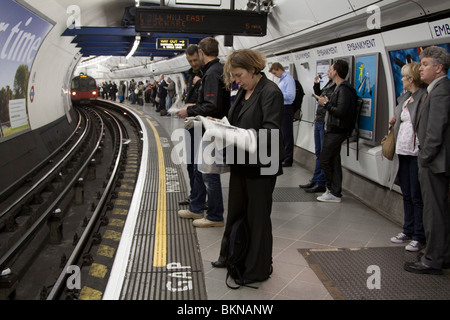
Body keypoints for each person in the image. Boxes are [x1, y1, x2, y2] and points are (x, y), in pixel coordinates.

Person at [211, 49, 284, 285]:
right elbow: (236, 121)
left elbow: (270, 132)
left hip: (261, 165)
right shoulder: (244, 90)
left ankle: (255, 268)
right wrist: (219, 125)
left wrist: (237, 134)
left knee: (257, 217)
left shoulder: (271, 93)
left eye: (239, 74)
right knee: (235, 211)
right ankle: (231, 256)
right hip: (241, 162)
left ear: (254, 69)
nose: (236, 80)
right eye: (233, 76)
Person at [404, 46, 450, 275]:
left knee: (434, 211)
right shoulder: (435, 89)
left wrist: (424, 157)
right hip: (434, 161)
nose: (420, 68)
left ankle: (432, 260)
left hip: (434, 163)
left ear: (439, 68)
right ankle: (442, 254)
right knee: (438, 210)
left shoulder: (441, 91)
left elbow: (435, 130)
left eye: (425, 64)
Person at [176, 37, 230, 228]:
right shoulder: (213, 71)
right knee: (202, 171)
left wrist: (189, 110)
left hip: (211, 129)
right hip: (207, 128)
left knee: (209, 173)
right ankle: (196, 207)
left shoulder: (212, 73)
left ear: (201, 52)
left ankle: (215, 216)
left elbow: (212, 105)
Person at [388, 62, 427, 252]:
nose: (402, 79)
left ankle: (419, 235)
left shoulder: (423, 98)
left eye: (404, 77)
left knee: (416, 195)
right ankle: (408, 229)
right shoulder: (405, 98)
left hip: (416, 153)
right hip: (402, 151)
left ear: (411, 79)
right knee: (406, 193)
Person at [316, 60, 357, 203]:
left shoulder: (344, 89)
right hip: (334, 129)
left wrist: (325, 104)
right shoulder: (339, 88)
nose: (329, 71)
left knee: (325, 159)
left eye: (331, 69)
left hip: (337, 130)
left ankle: (331, 189)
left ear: (336, 72)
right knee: (333, 161)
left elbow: (341, 111)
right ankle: (335, 192)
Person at [299, 72, 335, 193]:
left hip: (325, 122)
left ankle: (321, 182)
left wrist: (322, 100)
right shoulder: (329, 84)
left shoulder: (337, 87)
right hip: (319, 120)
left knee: (323, 155)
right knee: (318, 153)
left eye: (330, 70)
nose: (328, 72)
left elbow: (327, 102)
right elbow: (321, 95)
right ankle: (315, 179)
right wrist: (316, 84)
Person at [178, 44, 204, 207]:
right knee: (190, 163)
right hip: (190, 122)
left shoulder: (207, 74)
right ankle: (194, 194)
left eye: (195, 60)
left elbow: (210, 103)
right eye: (190, 61)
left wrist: (200, 82)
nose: (193, 63)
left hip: (201, 123)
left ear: (201, 55)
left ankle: (199, 198)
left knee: (199, 165)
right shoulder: (190, 74)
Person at [269, 62, 296, 167]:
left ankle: (289, 159)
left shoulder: (288, 79)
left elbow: (290, 96)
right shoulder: (282, 80)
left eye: (275, 73)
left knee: (287, 134)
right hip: (281, 108)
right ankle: (283, 156)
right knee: (282, 134)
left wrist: (277, 94)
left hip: (287, 108)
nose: (275, 75)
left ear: (279, 69)